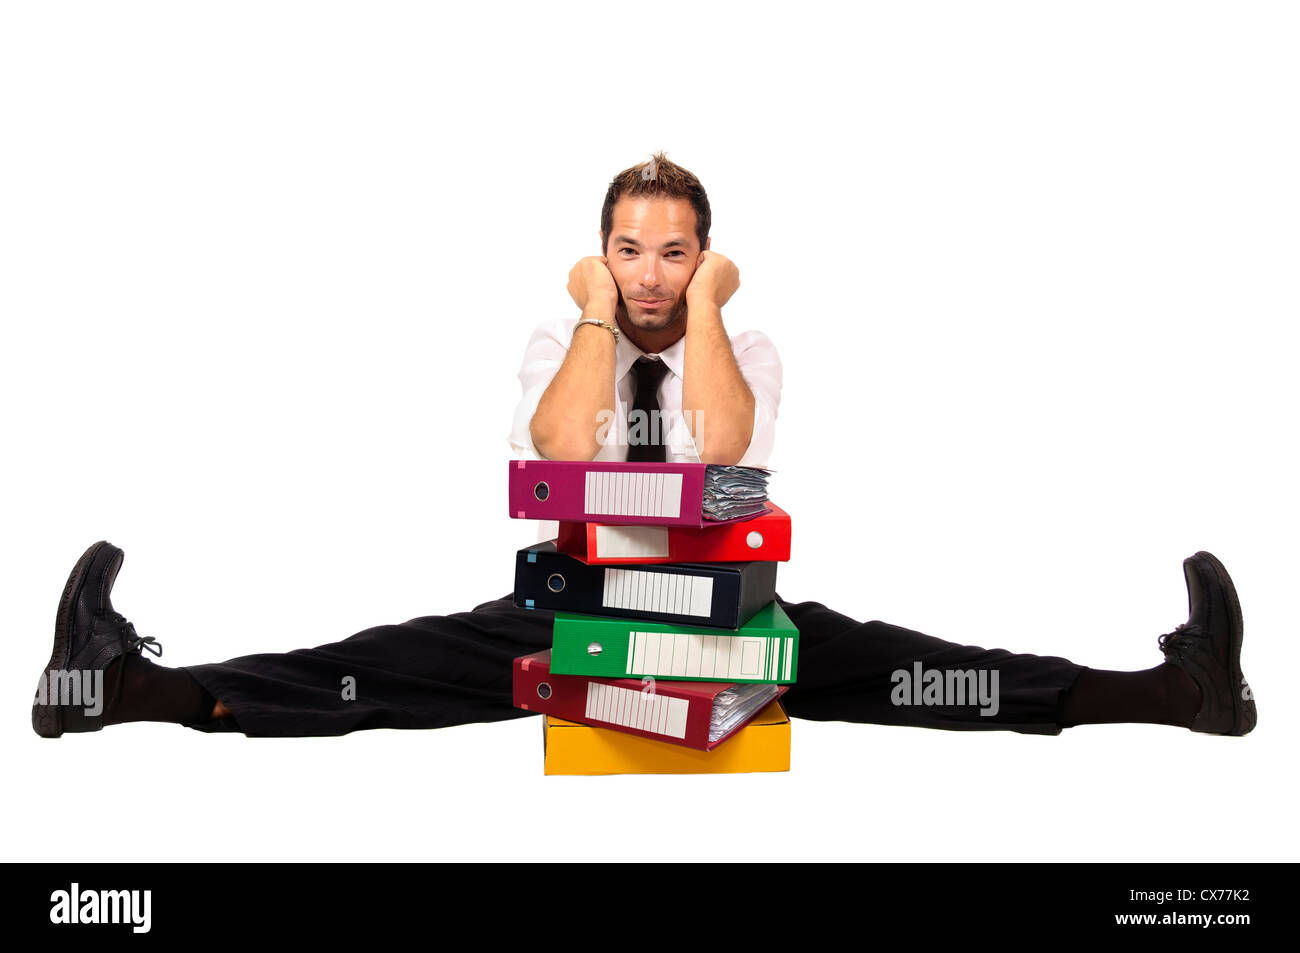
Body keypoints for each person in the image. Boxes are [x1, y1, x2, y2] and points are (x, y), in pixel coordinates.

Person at [30, 153, 1256, 741]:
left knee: (919, 669)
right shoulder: (562, 340)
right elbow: (554, 452)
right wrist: (586, 317)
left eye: (676, 253)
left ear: (707, 256)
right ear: (600, 255)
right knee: (373, 669)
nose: (652, 275)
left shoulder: (746, 342)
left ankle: (1179, 692)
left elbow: (728, 449)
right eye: (630, 250)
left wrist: (716, 309)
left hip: (727, 609)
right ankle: (115, 687)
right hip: (576, 610)